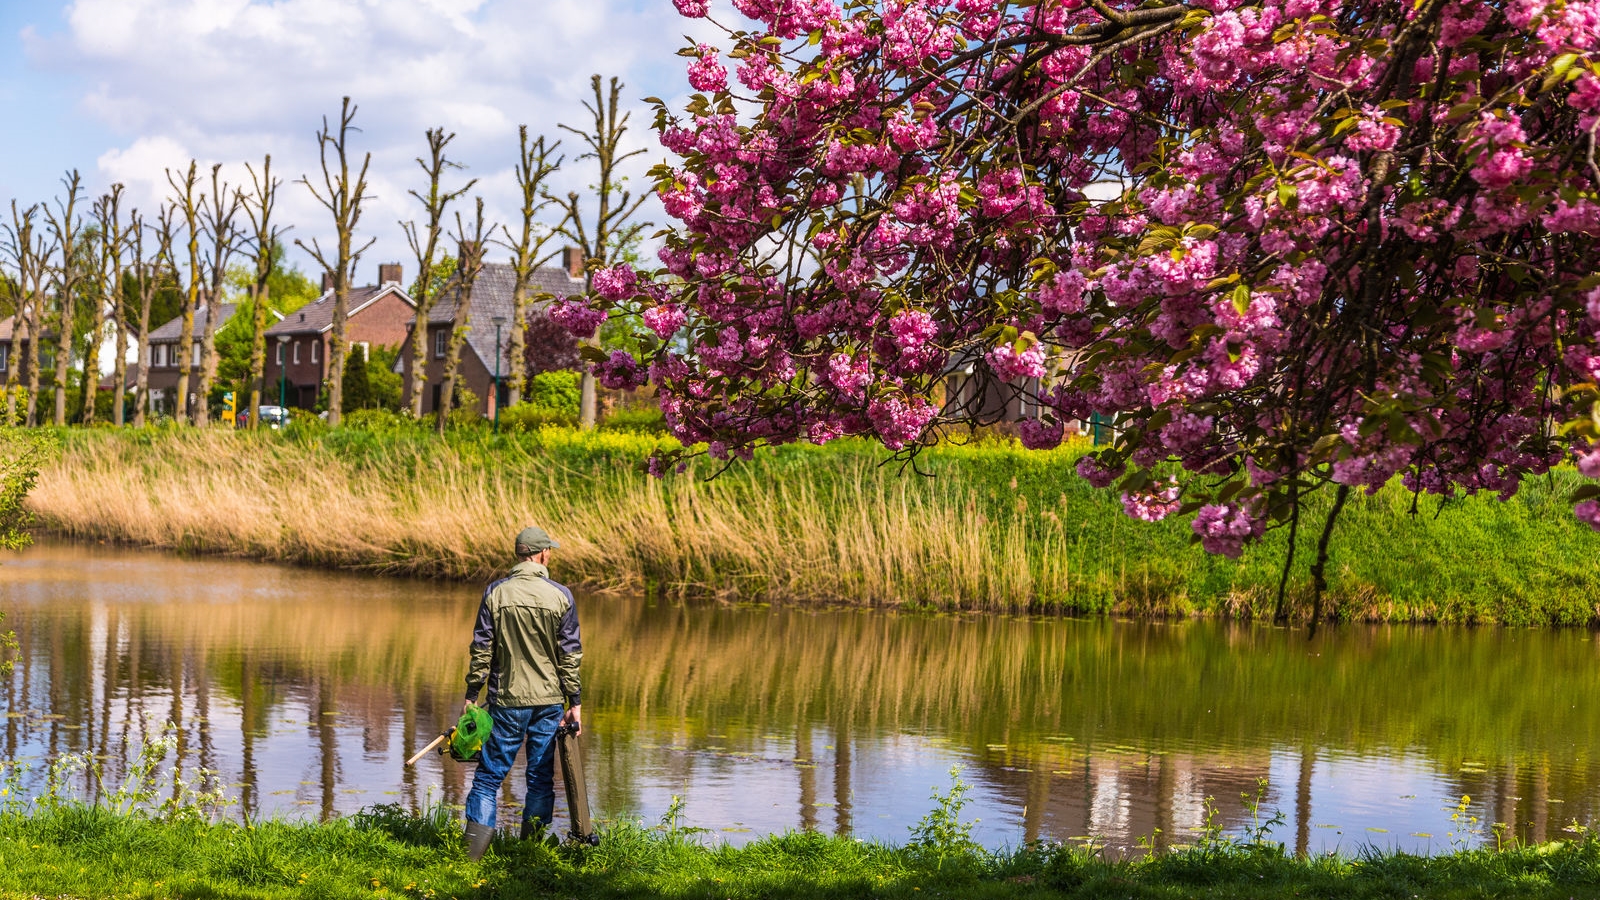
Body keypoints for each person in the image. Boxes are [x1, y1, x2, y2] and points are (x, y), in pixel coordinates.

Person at [460, 525, 583, 860]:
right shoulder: (561, 595)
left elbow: (481, 650)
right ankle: (530, 853)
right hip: (548, 702)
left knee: (488, 779)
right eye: (550, 551)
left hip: (506, 701)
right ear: (541, 554)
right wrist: (575, 702)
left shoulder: (495, 593)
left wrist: (472, 694)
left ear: (519, 554)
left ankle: (472, 858)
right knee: (540, 778)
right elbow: (569, 655)